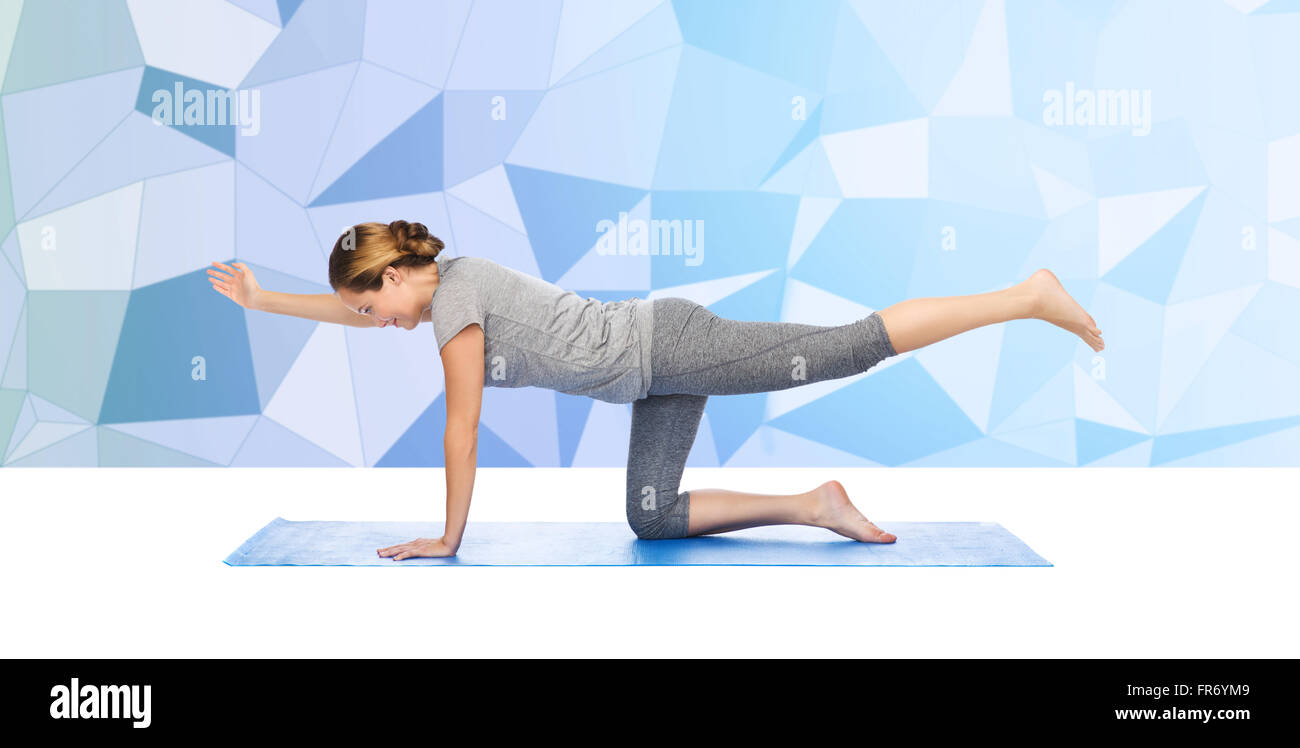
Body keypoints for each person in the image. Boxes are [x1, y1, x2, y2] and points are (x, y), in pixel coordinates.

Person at [207, 220, 1103, 560]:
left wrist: (449, 538)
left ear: (405, 270)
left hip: (671, 348)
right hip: (649, 378)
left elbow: (462, 430)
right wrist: (263, 298)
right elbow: (345, 306)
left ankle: (1025, 296)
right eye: (369, 317)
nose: (379, 324)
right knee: (650, 513)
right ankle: (816, 503)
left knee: (843, 351)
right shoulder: (441, 288)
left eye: (379, 307)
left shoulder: (456, 306)